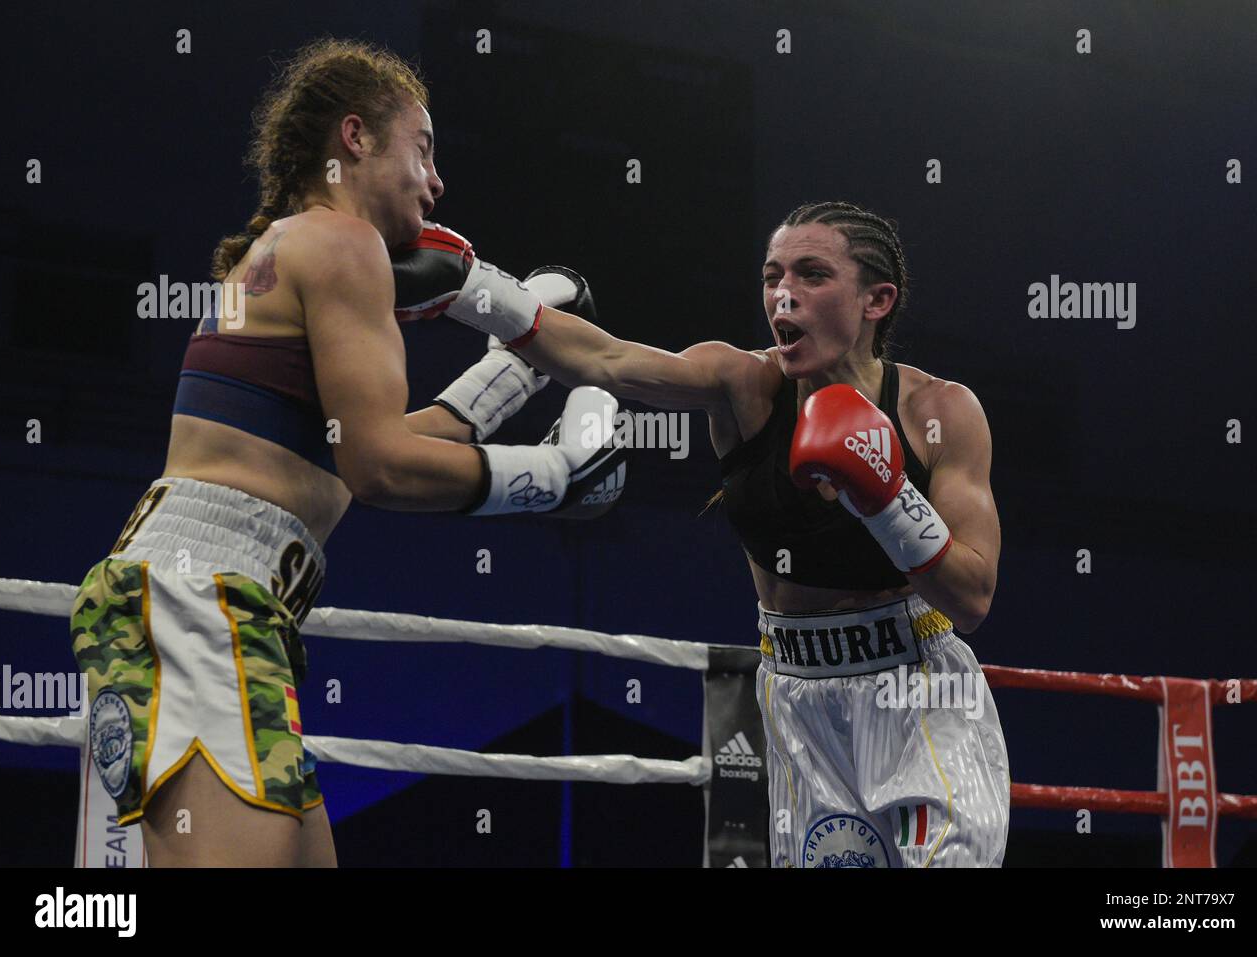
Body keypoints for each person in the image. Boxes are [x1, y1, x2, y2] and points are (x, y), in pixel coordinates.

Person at [69, 39, 622, 868]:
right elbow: (384, 470)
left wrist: (515, 370)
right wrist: (552, 478)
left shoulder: (298, 258)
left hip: (229, 609)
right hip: (203, 602)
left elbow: (366, 451)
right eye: (424, 149)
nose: (437, 182)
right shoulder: (336, 241)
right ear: (355, 139)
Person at [415, 201, 1011, 867]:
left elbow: (974, 596)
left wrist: (886, 494)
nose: (784, 294)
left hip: (918, 693)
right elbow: (606, 359)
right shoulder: (743, 384)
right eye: (772, 275)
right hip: (798, 701)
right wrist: (477, 291)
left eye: (813, 275)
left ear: (877, 299)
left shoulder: (940, 412)